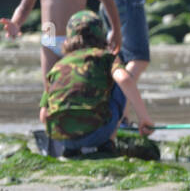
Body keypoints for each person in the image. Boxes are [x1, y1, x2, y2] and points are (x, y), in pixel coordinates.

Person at [37, 10, 154, 158]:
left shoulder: (58, 66)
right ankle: (107, 144)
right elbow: (125, 80)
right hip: (97, 134)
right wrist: (144, 119)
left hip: (61, 138)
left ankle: (72, 150)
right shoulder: (106, 58)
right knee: (119, 82)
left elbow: (43, 115)